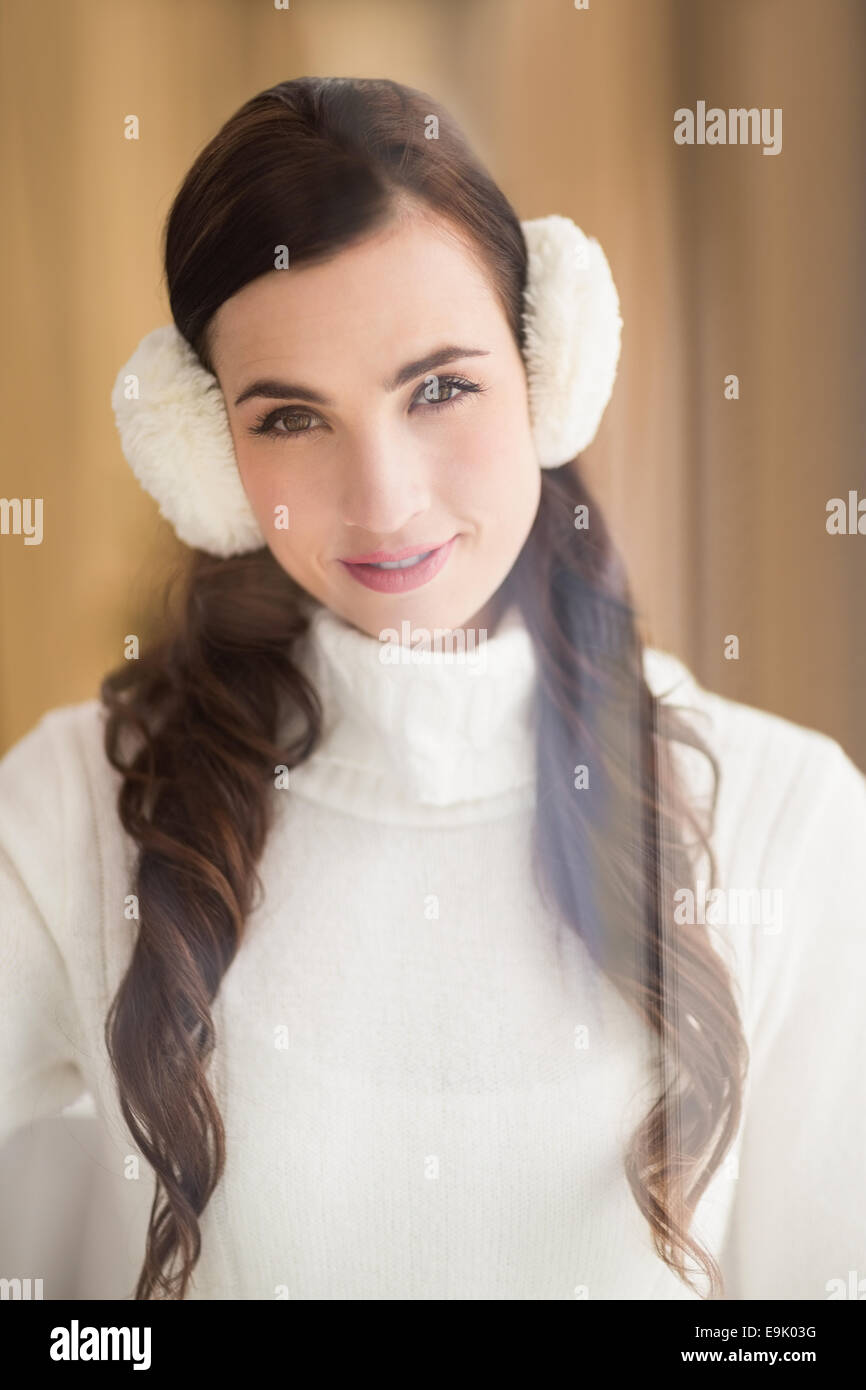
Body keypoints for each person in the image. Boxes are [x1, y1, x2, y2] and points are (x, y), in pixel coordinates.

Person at [1, 75, 863, 1303]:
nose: (384, 499)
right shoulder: (81, 806)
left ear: (542, 369)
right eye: (291, 416)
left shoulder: (787, 815)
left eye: (440, 387)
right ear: (206, 457)